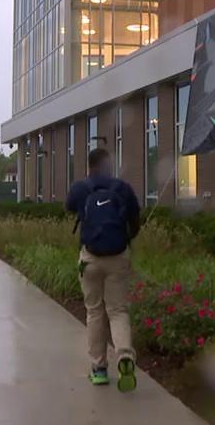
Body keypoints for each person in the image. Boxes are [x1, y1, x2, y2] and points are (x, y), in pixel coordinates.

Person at [65, 147, 142, 391]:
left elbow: (69, 208)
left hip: (90, 258)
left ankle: (98, 369)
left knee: (94, 312)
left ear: (89, 166)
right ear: (109, 165)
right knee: (118, 310)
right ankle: (125, 356)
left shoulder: (81, 188)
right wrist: (126, 240)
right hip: (118, 256)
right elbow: (135, 221)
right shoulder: (122, 188)